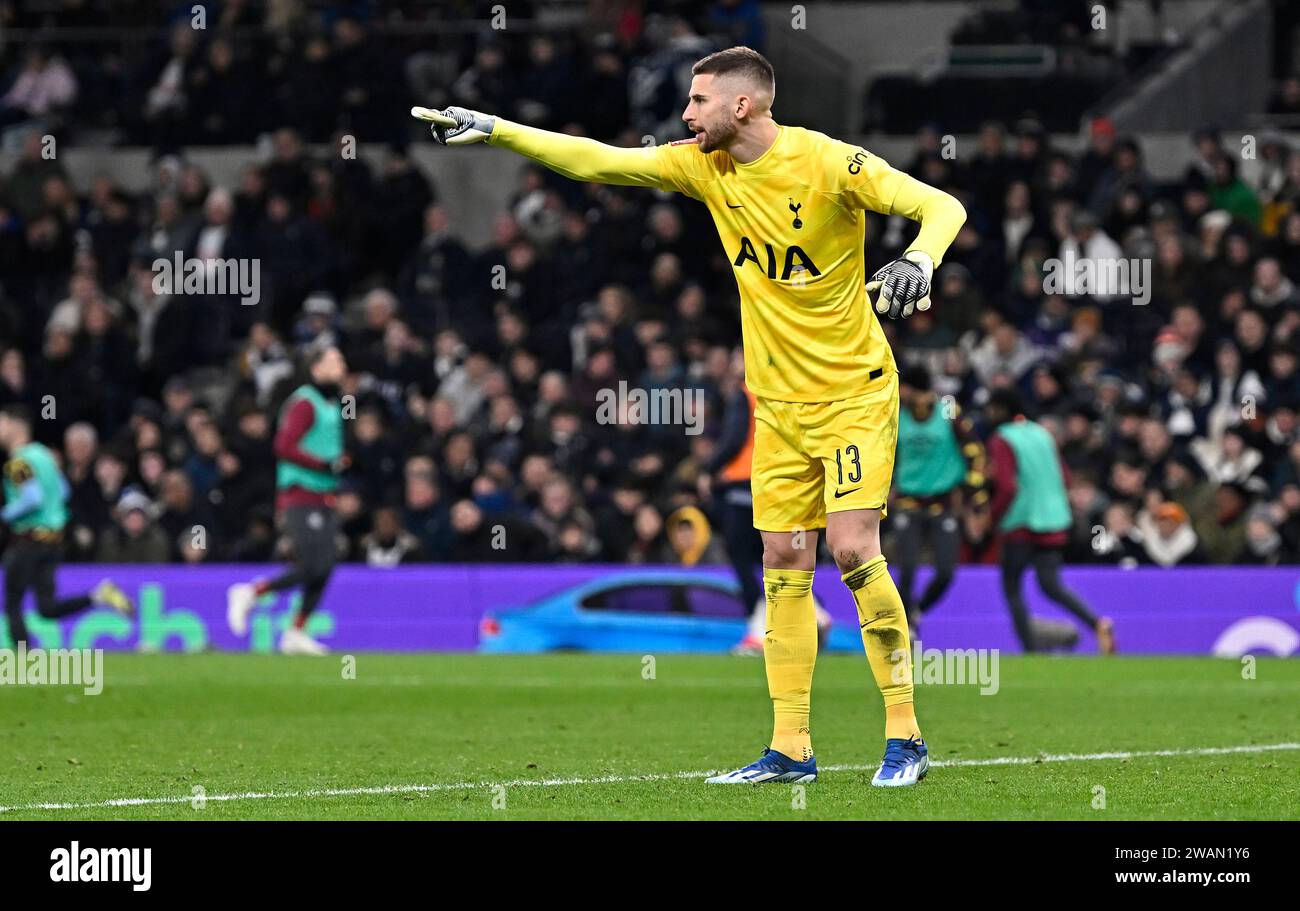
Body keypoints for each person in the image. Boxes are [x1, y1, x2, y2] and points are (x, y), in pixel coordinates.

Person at [419, 45, 966, 786]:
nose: (684, 114)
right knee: (782, 560)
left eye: (697, 100)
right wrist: (496, 128)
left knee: (849, 549)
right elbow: (598, 162)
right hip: (775, 403)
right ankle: (791, 747)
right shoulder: (702, 165)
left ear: (742, 105)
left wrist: (919, 261)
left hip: (852, 393)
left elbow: (942, 205)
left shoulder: (832, 162)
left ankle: (905, 736)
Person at [226, 345, 348, 655]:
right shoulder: (306, 403)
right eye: (334, 360)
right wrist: (322, 465)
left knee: (326, 566)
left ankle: (296, 632)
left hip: (323, 494)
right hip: (300, 494)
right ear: (316, 368)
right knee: (311, 566)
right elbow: (283, 445)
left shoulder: (332, 402)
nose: (341, 364)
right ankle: (251, 593)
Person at [984, 389, 1116, 654]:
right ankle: (1097, 622)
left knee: (1012, 588)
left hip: (1020, 522)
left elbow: (1007, 487)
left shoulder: (1002, 439)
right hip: (1054, 522)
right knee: (1051, 584)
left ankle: (1030, 649)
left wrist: (994, 516)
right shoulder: (1043, 434)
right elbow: (1065, 479)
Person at [0, 405, 132, 646]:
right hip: (53, 542)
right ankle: (98, 596)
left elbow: (32, 498)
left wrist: (6, 514)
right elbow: (63, 491)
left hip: (27, 540)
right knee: (46, 608)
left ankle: (26, 660)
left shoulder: (19, 462)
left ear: (14, 425)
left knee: (12, 603)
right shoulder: (45, 456)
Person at [892, 365, 986, 633]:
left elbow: (974, 452)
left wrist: (972, 490)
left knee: (946, 571)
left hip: (943, 502)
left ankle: (917, 611)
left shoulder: (947, 410)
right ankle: (907, 623)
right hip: (908, 500)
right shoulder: (897, 413)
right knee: (907, 568)